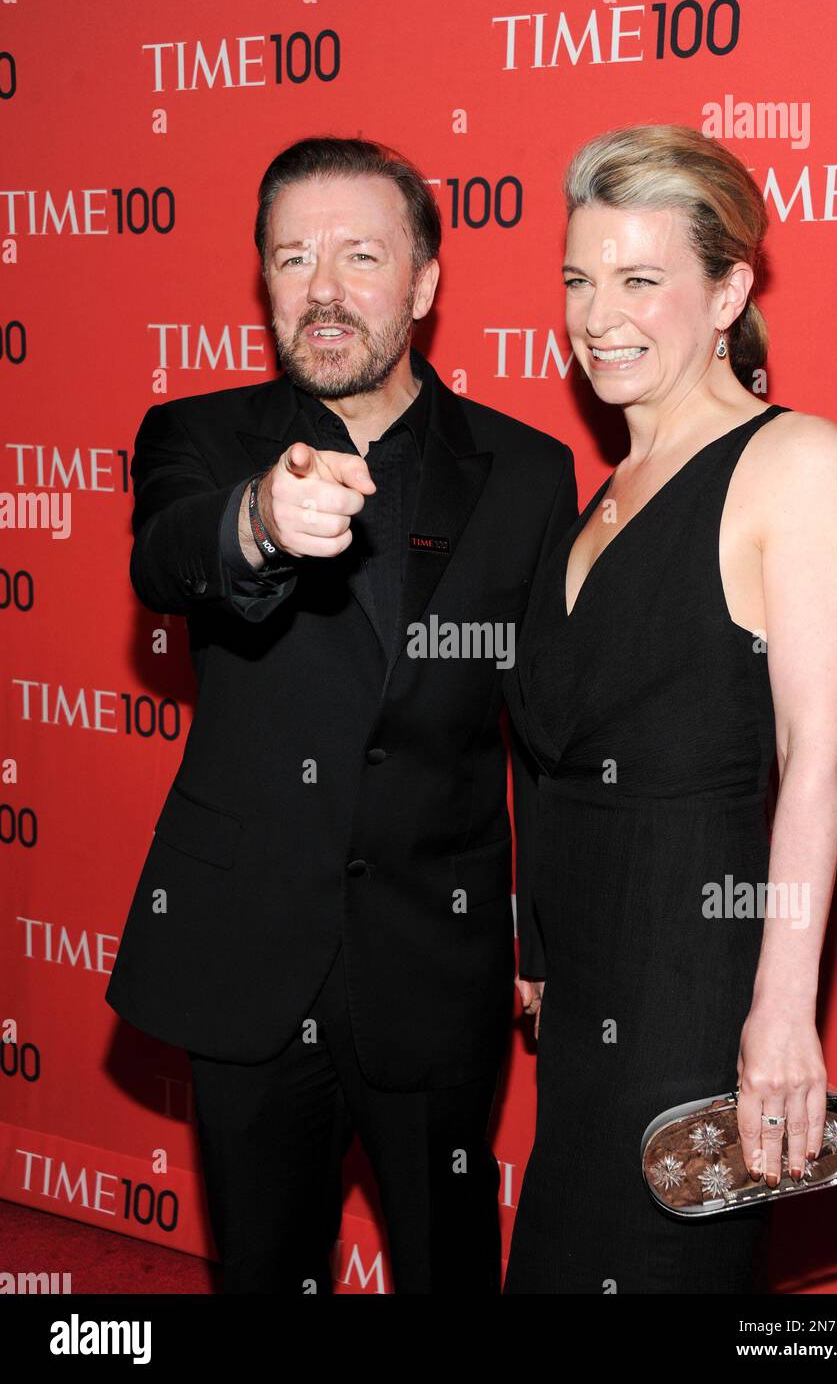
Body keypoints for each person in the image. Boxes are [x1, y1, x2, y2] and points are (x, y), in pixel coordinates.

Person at [105, 136, 578, 1294]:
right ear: (263, 281)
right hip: (250, 954)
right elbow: (172, 555)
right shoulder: (198, 439)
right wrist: (261, 521)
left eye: (362, 255)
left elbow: (550, 733)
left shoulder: (525, 473)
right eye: (292, 257)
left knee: (450, 1270)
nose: (322, 288)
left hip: (436, 958)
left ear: (422, 284)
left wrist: (546, 939)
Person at [502, 124, 837, 1294]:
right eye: (577, 278)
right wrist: (538, 945)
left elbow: (818, 764)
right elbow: (562, 757)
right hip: (582, 1004)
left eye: (639, 279)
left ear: (728, 292)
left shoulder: (797, 462)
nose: (596, 313)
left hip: (692, 995)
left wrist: (781, 1017)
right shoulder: (599, 496)